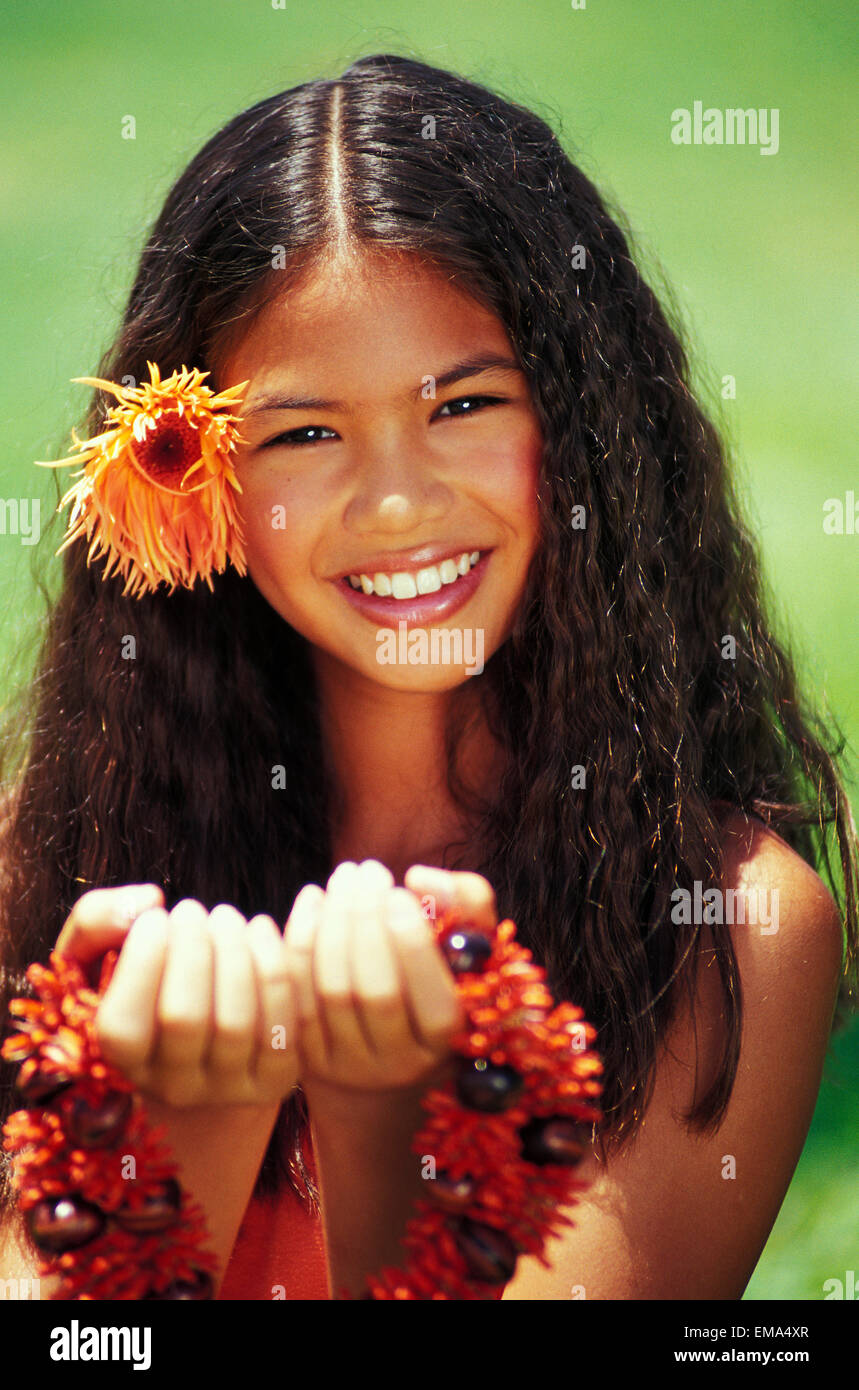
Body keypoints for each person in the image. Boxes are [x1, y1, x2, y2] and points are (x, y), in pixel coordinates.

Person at [0, 53, 855, 1301]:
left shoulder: (727, 926)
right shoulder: (49, 858)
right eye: (302, 432)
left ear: (585, 423)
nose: (397, 502)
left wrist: (392, 1142)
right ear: (188, 479)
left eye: (462, 405)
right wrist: (151, 1191)